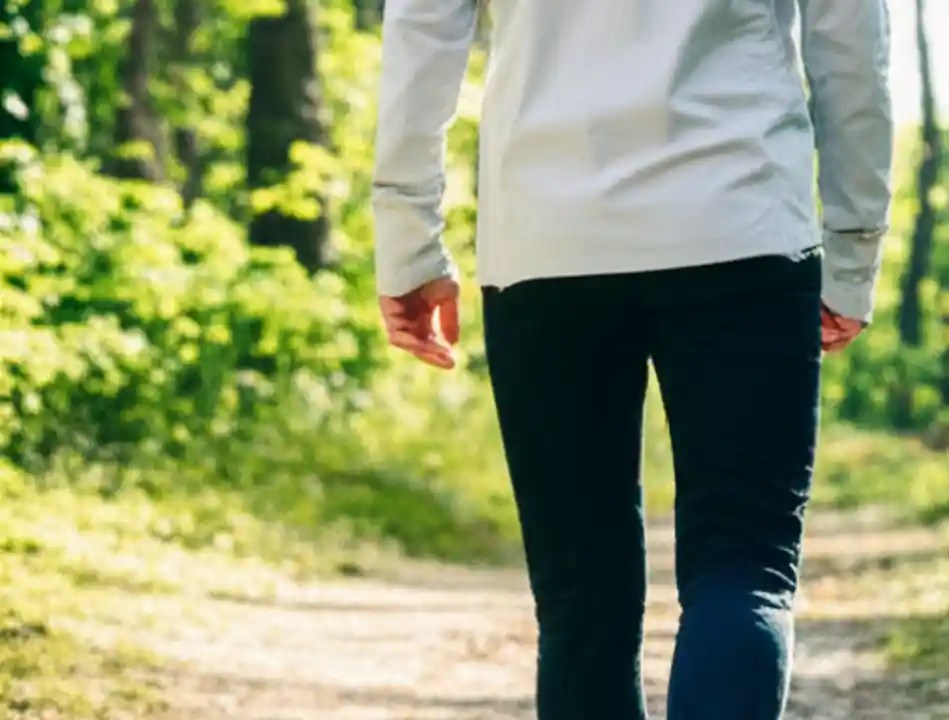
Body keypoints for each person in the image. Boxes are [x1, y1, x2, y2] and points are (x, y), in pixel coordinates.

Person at [372, 0, 893, 717]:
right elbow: (850, 46)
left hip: (545, 239)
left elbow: (423, 25)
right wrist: (854, 245)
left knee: (581, 599)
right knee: (743, 570)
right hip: (740, 223)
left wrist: (407, 236)